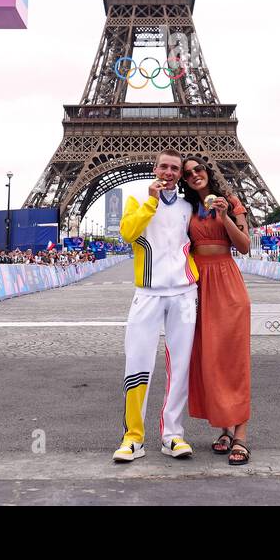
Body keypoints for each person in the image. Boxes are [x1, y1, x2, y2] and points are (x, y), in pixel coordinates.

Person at [113, 149, 197, 463]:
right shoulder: (137, 201)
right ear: (155, 168)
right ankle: (133, 438)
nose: (169, 172)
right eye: (164, 166)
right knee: (137, 363)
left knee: (180, 366)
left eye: (175, 168)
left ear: (180, 173)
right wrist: (151, 200)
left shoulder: (190, 207)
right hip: (147, 293)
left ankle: (173, 435)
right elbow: (127, 233)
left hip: (184, 293)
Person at [182, 155, 254, 468]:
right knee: (210, 360)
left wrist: (223, 215)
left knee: (233, 359)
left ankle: (241, 435)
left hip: (227, 283)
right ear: (185, 181)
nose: (194, 174)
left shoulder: (231, 203)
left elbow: (244, 246)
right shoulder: (187, 211)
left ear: (208, 172)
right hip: (199, 286)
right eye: (188, 173)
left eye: (199, 169)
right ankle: (224, 429)